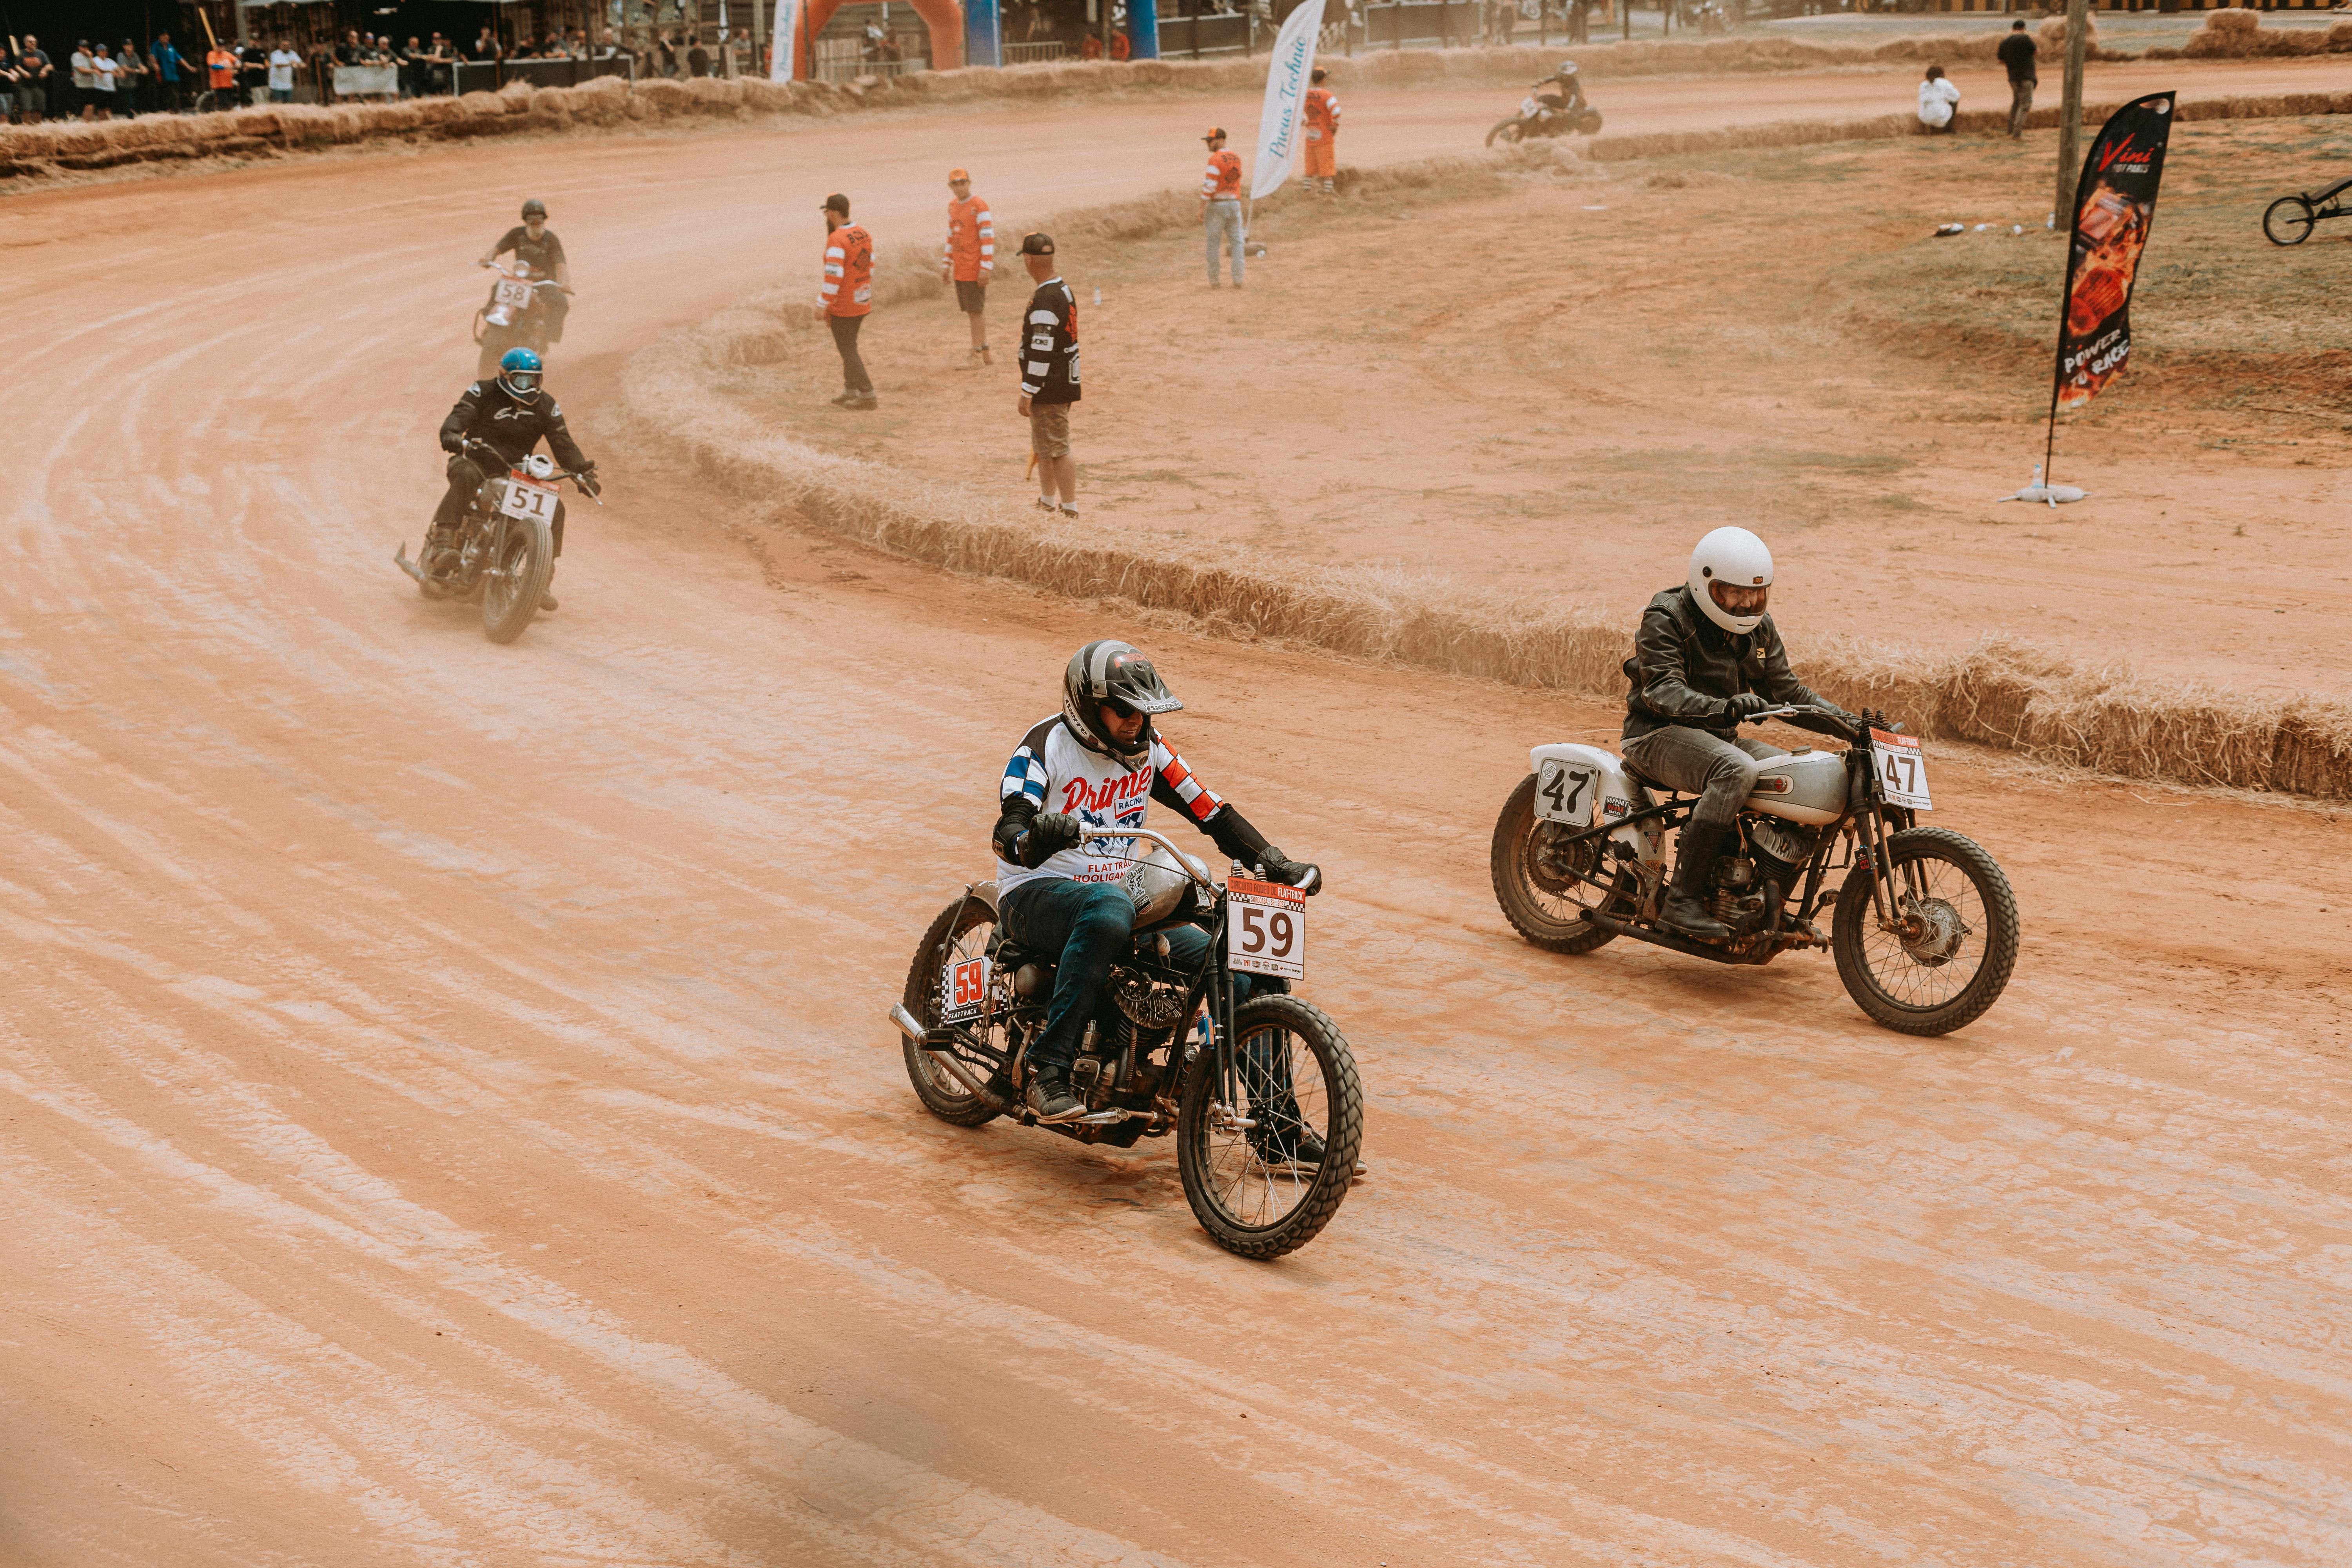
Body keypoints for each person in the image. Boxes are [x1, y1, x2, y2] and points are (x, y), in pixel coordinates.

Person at [992, 640, 1320, 1123]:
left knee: (1239, 960)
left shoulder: (1149, 750)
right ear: (1087, 707)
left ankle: (1277, 1127)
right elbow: (1008, 833)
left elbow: (1211, 811)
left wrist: (1272, 859)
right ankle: (1049, 1069)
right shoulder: (1045, 747)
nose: (1136, 722)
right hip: (1036, 891)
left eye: (1143, 712)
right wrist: (1035, 837)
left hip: (1120, 892)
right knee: (1108, 908)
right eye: (1123, 710)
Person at [1620, 528, 1857, 941]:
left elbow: (1789, 692)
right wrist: (1723, 707)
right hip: (1656, 735)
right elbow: (1661, 689)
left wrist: (1854, 724)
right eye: (1734, 592)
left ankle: (1768, 901)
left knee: (1807, 776)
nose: (1747, 603)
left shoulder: (1759, 630)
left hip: (1718, 739)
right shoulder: (1667, 617)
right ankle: (1681, 901)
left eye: (1757, 593)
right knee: (1736, 770)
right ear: (1705, 582)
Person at [430, 348, 598, 612]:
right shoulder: (483, 391)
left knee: (556, 508)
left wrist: (582, 472)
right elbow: (459, 415)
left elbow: (562, 442)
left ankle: (542, 577)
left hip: (516, 472)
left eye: (534, 380)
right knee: (465, 476)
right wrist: (452, 433)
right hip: (476, 461)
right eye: (522, 380)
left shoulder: (546, 406)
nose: (529, 386)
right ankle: (443, 546)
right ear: (504, 375)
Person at [1016, 231, 1080, 518]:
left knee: (1057, 447)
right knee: (1045, 447)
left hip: (1048, 386)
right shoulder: (1063, 290)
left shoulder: (1045, 299)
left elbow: (1041, 350)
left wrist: (1028, 390)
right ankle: (1046, 502)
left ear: (1029, 261)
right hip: (1063, 380)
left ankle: (1069, 509)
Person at [479, 198, 574, 345]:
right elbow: (497, 249)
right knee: (497, 289)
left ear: (544, 219)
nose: (536, 221)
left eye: (539, 218)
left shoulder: (551, 240)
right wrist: (488, 259)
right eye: (531, 218)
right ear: (525, 220)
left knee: (560, 302)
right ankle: (490, 327)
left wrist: (563, 283)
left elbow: (561, 264)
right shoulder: (517, 234)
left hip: (544, 284)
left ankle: (547, 338)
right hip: (520, 282)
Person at [815, 192, 877, 410]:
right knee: (849, 346)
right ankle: (851, 390)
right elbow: (871, 264)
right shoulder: (863, 233)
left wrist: (822, 304)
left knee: (847, 349)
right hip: (862, 299)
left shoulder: (837, 240)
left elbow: (833, 277)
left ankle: (867, 394)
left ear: (832, 213)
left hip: (845, 304)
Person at [941, 168, 996, 367]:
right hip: (960, 267)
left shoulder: (979, 206)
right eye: (955, 184)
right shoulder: (952, 207)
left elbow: (988, 238)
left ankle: (976, 354)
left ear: (969, 183)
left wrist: (985, 267)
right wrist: (946, 263)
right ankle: (985, 351)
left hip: (975, 267)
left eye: (962, 183)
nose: (959, 187)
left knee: (976, 312)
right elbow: (951, 237)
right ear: (950, 187)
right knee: (973, 312)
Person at [1200, 126, 1245, 288]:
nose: (1209, 144)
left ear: (1220, 140)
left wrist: (1201, 207)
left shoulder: (1215, 160)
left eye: (1211, 141)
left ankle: (1214, 280)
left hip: (1218, 205)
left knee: (1213, 243)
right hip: (1234, 203)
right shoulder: (1237, 157)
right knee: (1237, 242)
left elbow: (1210, 187)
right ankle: (1238, 279)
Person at [1301, 67, 1340, 196]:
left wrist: (1304, 122)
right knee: (1327, 168)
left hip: (1311, 135)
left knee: (1310, 167)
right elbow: (1336, 111)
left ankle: (1307, 191)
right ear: (1323, 80)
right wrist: (1335, 125)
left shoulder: (1304, 94)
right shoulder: (1327, 95)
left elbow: (1295, 112)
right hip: (1324, 136)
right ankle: (1328, 193)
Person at [1998, 20, 2037, 140]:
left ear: (2013, 28)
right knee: (2025, 106)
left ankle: (2010, 130)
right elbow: (2036, 52)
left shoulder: (2004, 42)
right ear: (2023, 28)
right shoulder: (2026, 39)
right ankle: (2017, 134)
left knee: (2016, 103)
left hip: (2013, 78)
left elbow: (2000, 61)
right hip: (2027, 77)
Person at [14, 36, 51, 122]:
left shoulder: (41, 54)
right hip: (25, 86)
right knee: (27, 108)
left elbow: (50, 65)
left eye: (34, 42)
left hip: (39, 85)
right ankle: (27, 129)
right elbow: (17, 66)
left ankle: (36, 128)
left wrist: (45, 70)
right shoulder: (21, 54)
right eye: (31, 42)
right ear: (26, 44)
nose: (33, 43)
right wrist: (23, 72)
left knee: (39, 108)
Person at [1916, 64, 1959, 134]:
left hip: (1924, 119)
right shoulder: (1944, 82)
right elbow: (1957, 97)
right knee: (1953, 102)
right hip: (1940, 118)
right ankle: (1949, 128)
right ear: (1941, 75)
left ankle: (1930, 127)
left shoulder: (1923, 84)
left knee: (1930, 105)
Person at [151, 33, 188, 113]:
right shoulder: (156, 46)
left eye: (167, 37)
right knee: (165, 93)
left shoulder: (170, 46)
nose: (166, 38)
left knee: (174, 93)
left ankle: (175, 110)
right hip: (163, 75)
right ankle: (164, 110)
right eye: (164, 36)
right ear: (160, 37)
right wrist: (154, 64)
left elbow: (179, 58)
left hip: (173, 75)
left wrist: (189, 67)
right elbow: (152, 56)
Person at [204, 36, 236, 109]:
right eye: (219, 46)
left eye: (222, 46)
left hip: (229, 84)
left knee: (230, 104)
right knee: (225, 105)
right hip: (219, 85)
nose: (221, 48)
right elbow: (213, 66)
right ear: (216, 46)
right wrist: (224, 67)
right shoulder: (211, 54)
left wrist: (237, 64)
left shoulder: (227, 54)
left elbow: (236, 61)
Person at [266, 37, 301, 104]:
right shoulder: (275, 54)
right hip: (277, 84)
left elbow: (300, 63)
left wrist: (300, 64)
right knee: (278, 104)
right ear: (280, 46)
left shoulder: (292, 53)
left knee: (288, 104)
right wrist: (290, 64)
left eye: (288, 46)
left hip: (288, 84)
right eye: (284, 45)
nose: (286, 47)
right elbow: (277, 65)